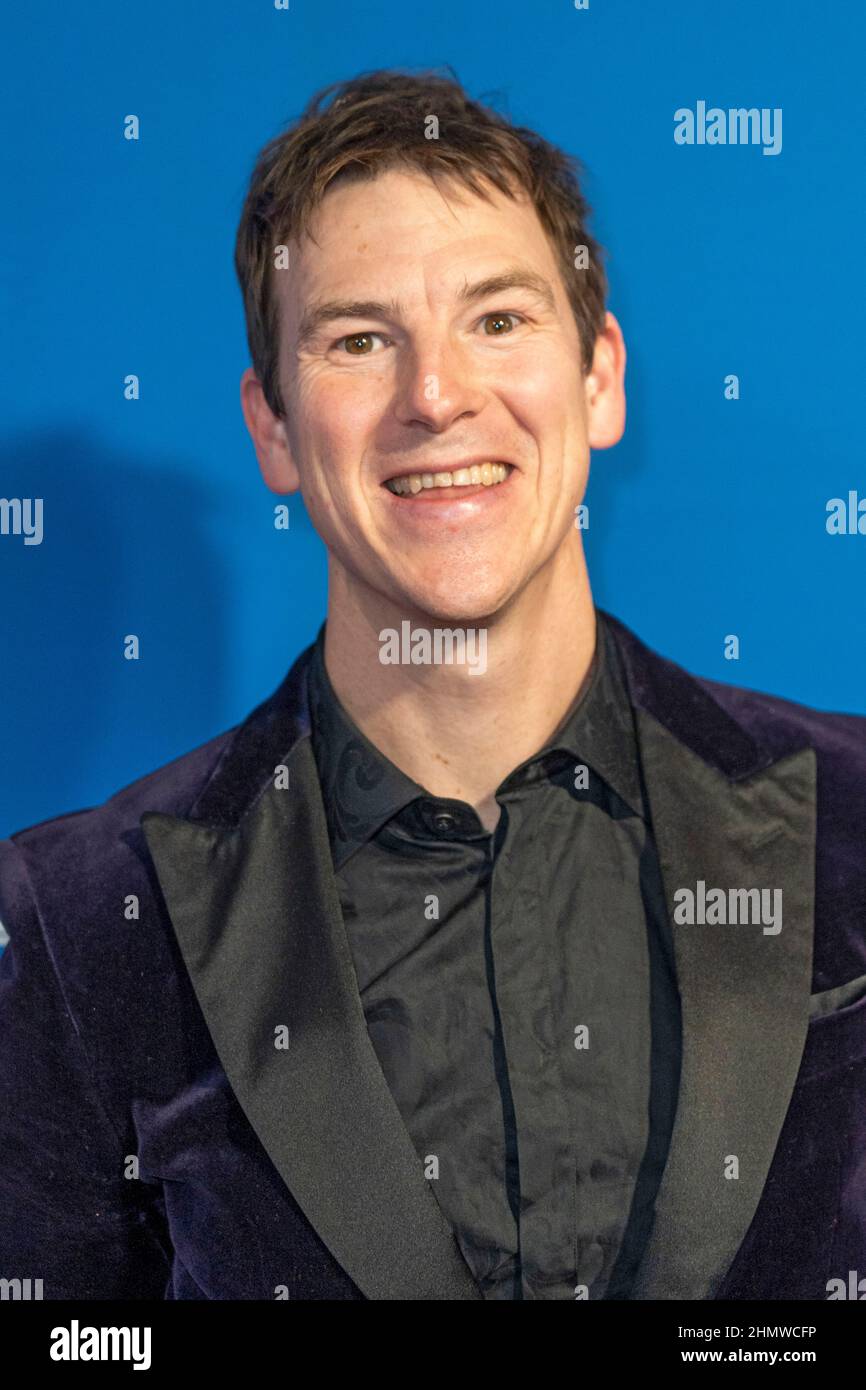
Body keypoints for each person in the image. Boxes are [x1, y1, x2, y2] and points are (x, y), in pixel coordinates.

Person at [1, 68, 865, 1302]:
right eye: (359, 339)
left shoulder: (852, 818)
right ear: (277, 431)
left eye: (497, 319)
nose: (435, 395)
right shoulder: (80, 922)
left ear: (598, 377)